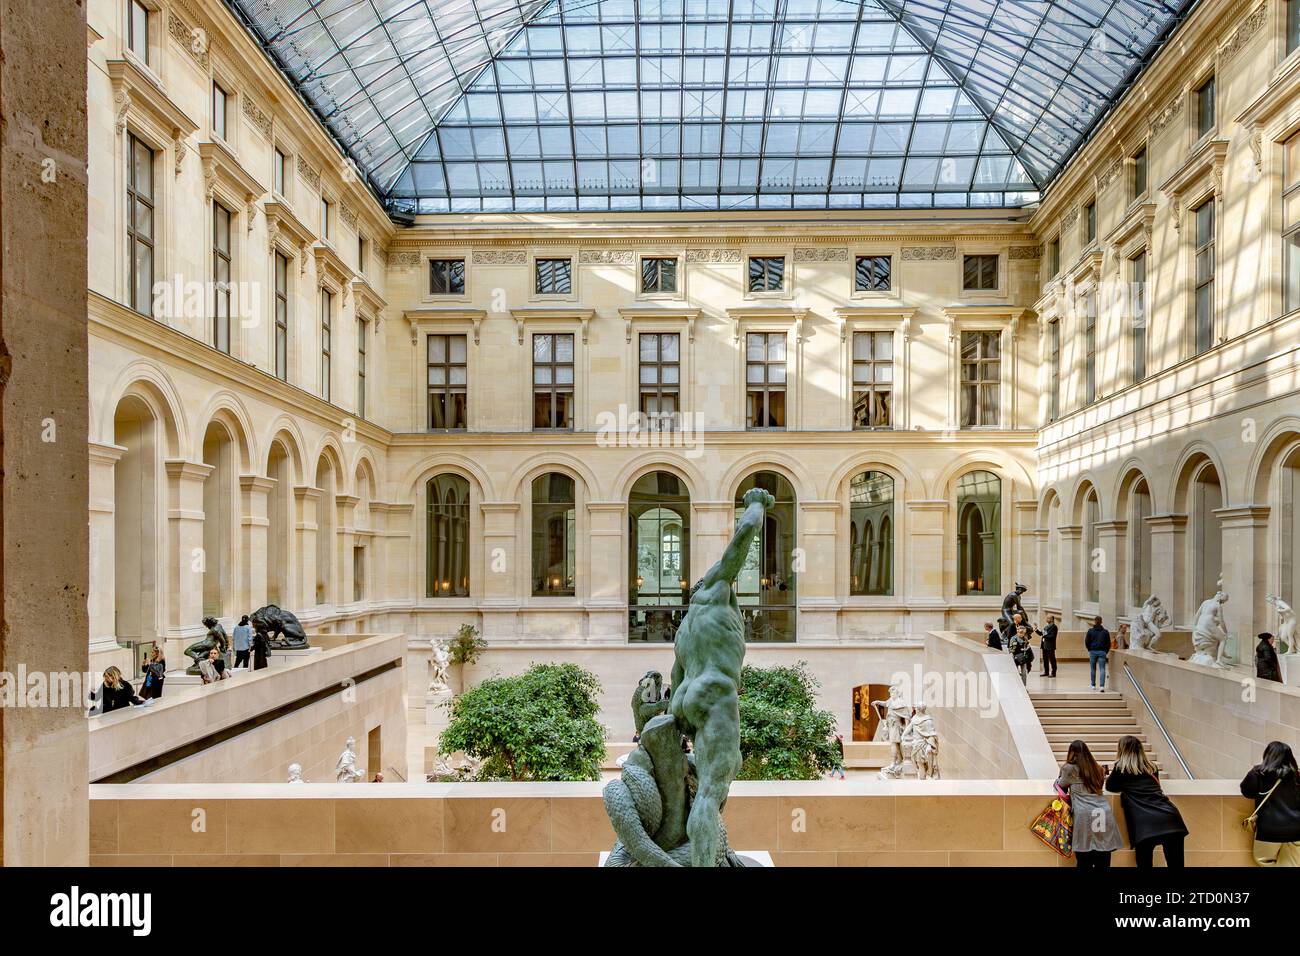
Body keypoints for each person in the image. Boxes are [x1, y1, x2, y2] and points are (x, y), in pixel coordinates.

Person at [1105, 735, 1187, 867]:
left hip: (1146, 824)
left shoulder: (1121, 768)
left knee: (1144, 863)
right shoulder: (1152, 768)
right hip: (1171, 818)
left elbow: (1110, 786)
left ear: (1121, 751)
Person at [1056, 740, 1123, 867]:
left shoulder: (1069, 769)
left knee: (1084, 858)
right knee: (1103, 857)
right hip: (1103, 812)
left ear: (1071, 753)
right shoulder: (1098, 769)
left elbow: (1061, 786)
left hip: (1084, 814)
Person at [1240, 741, 1300, 866]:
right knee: (1292, 864)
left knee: (1264, 860)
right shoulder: (1297, 775)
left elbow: (1247, 792)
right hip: (1296, 829)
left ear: (1268, 755)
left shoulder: (1258, 773)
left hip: (1269, 829)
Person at [1085, 616, 1111, 692]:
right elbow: (1108, 643)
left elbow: (1087, 641)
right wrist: (1105, 651)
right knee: (1102, 669)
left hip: (1093, 651)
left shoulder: (1090, 631)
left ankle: (1093, 685)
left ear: (1095, 621)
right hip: (1102, 652)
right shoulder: (1105, 631)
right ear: (1101, 622)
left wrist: (1089, 649)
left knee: (1093, 669)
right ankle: (1102, 686)